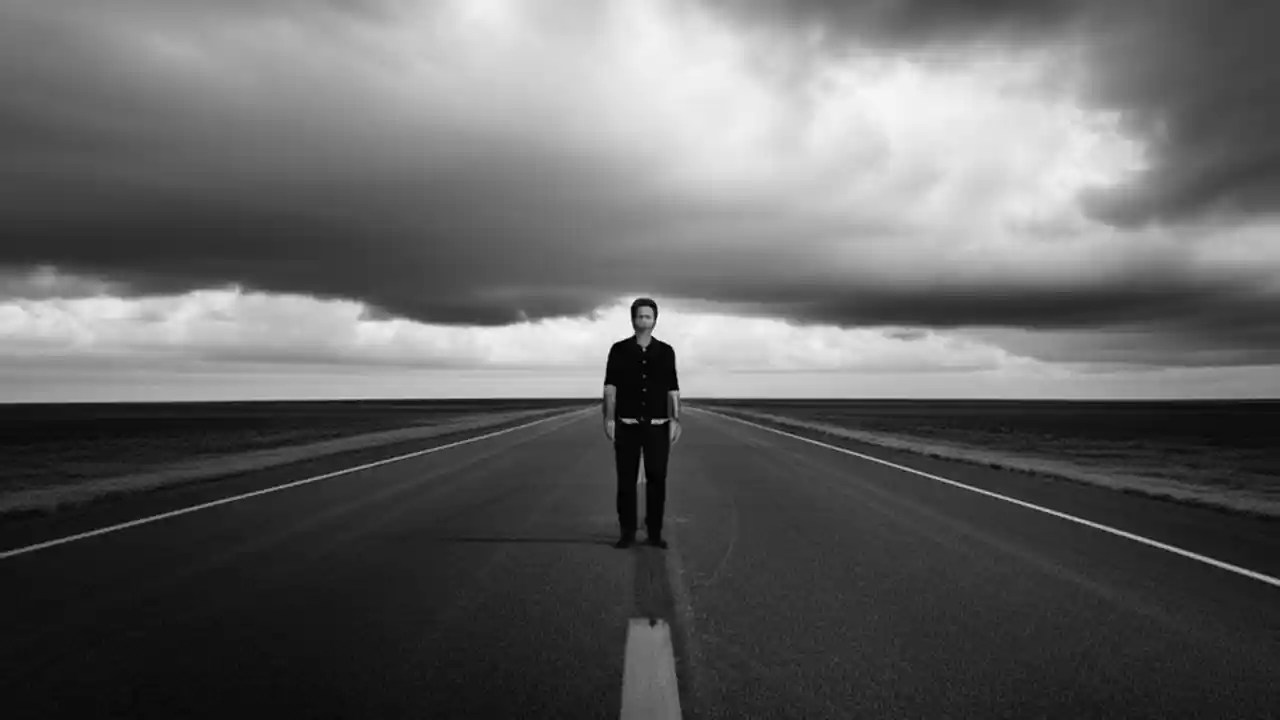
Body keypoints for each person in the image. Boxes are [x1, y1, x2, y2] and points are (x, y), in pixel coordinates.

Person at [602, 297, 682, 549]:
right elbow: (609, 387)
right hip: (627, 424)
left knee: (657, 478)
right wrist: (608, 417)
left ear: (655, 320)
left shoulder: (666, 351)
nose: (643, 320)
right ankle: (627, 531)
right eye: (639, 316)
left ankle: (654, 532)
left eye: (648, 316)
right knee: (626, 480)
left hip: (658, 426)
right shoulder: (619, 350)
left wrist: (676, 420)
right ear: (632, 319)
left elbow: (673, 389)